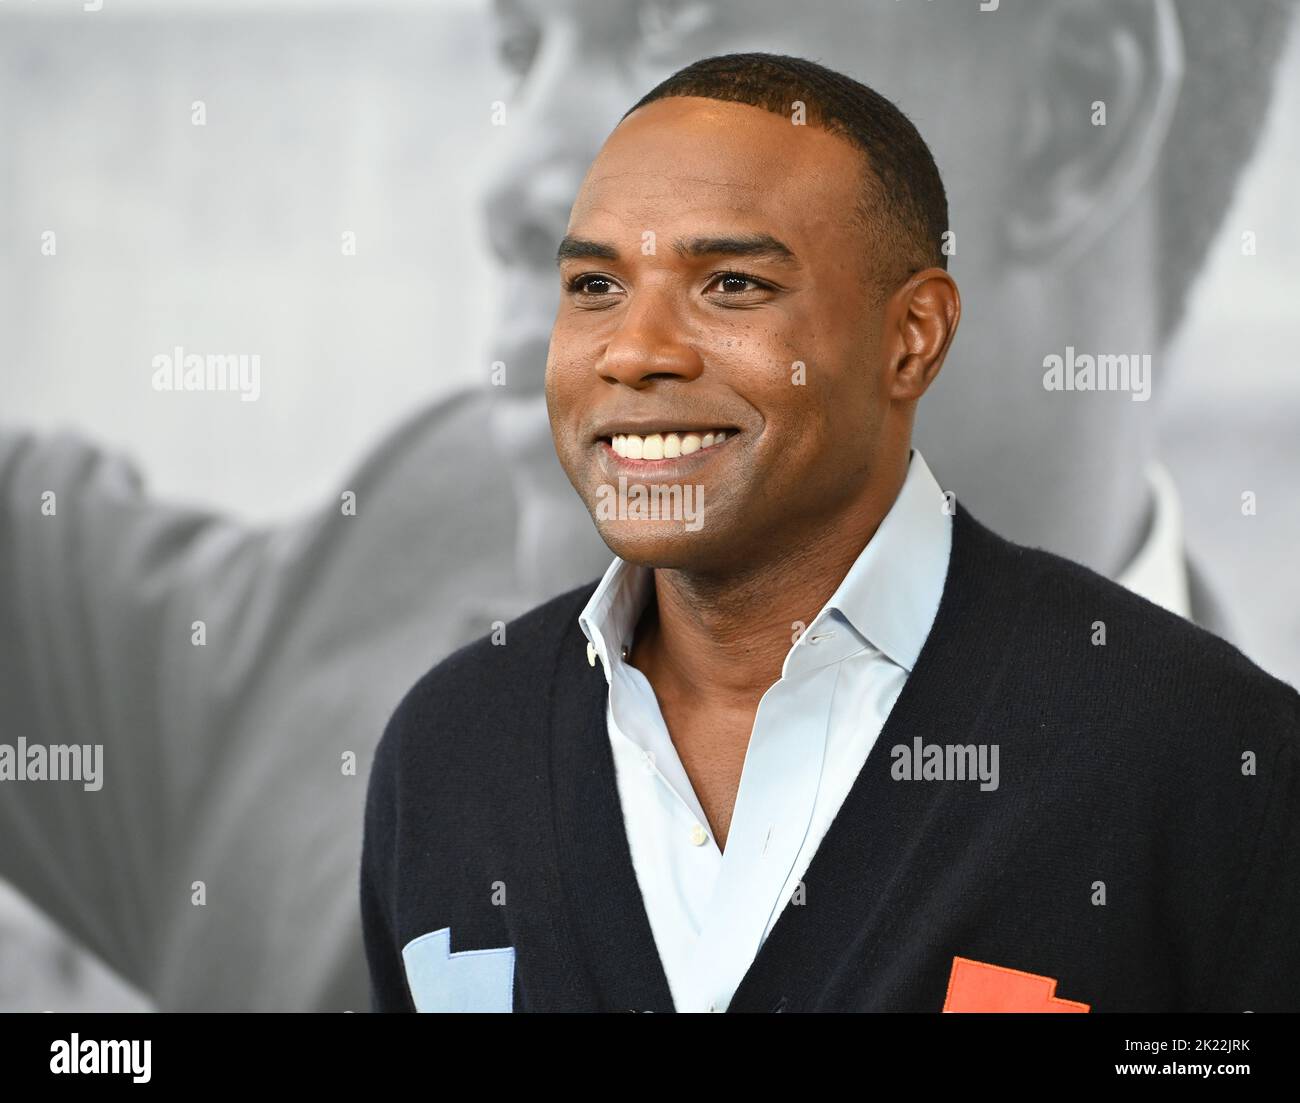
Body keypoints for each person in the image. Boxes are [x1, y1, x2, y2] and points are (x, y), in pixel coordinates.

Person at [2, 1, 1295, 1011]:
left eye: (670, 25)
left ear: (1074, 110)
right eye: (523, 41)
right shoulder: (398, 568)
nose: (510, 183)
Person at [360, 52, 1300, 1015]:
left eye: (729, 283)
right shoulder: (447, 753)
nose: (634, 350)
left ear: (913, 336)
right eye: (595, 285)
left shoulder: (1204, 757)